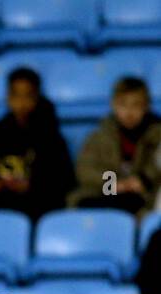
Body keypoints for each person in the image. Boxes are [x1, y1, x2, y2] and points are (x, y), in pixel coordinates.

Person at [0, 67, 75, 222]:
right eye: (16, 95)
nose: (22, 103)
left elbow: (63, 180)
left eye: (28, 96)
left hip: (35, 204)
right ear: (8, 98)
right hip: (0, 202)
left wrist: (30, 186)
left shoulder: (51, 136)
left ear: (37, 97)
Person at [67, 76, 161, 215]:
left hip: (142, 197)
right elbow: (85, 170)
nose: (129, 112)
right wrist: (114, 184)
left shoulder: (156, 135)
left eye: (136, 105)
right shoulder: (99, 135)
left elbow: (156, 167)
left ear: (146, 106)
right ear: (113, 105)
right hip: (103, 194)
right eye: (123, 104)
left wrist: (142, 180)